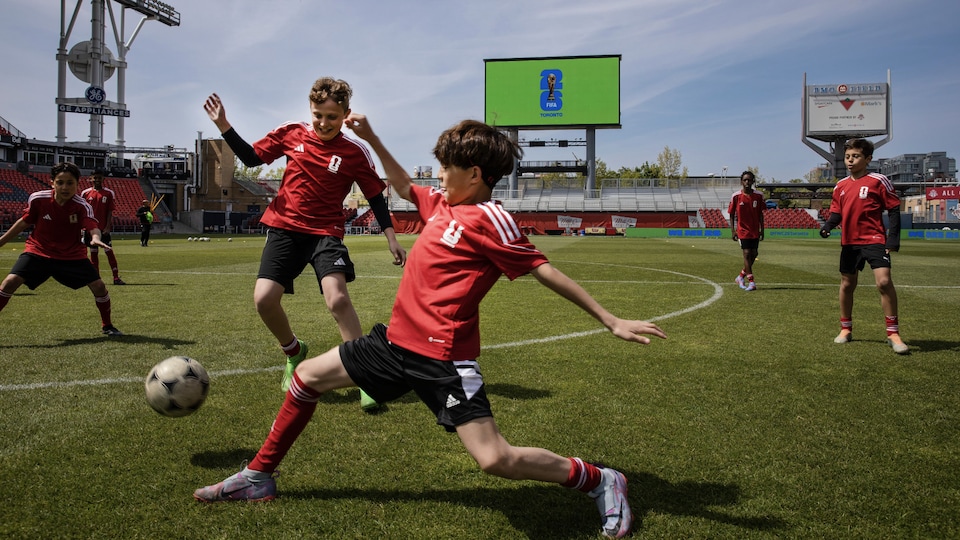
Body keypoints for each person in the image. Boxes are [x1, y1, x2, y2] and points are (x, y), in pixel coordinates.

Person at [193, 117, 667, 539]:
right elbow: (400, 185)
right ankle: (259, 476)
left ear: (475, 174)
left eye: (445, 167)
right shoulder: (441, 204)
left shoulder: (493, 219)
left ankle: (600, 479)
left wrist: (610, 319)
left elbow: (543, 269)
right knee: (306, 378)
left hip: (443, 360)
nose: (437, 175)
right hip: (393, 344)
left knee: (494, 460)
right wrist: (373, 137)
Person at [202, 77, 407, 412]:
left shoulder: (355, 152)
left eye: (331, 116)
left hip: (325, 232)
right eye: (318, 115)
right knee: (264, 300)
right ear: (309, 111)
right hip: (284, 228)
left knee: (337, 299)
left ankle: (364, 375)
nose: (323, 123)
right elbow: (253, 158)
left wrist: (390, 237)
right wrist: (224, 125)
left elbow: (374, 195)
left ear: (345, 115)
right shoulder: (292, 133)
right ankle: (293, 352)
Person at [0, 162, 123, 336]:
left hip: (71, 255)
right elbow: (25, 221)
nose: (65, 187)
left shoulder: (81, 205)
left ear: (77, 184)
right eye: (60, 182)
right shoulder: (38, 199)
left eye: (70, 183)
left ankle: (107, 325)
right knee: (9, 283)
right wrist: (2, 240)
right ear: (52, 182)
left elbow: (91, 225)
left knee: (99, 286)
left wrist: (95, 238)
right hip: (38, 251)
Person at [820, 138, 907, 354]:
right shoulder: (840, 186)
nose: (850, 160)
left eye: (855, 156)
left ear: (868, 159)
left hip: (875, 240)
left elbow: (894, 208)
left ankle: (893, 333)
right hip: (849, 243)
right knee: (847, 285)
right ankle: (845, 329)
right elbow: (836, 212)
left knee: (884, 282)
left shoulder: (879, 180)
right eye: (847, 156)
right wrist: (828, 226)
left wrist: (893, 238)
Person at [81, 167, 126, 285]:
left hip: (103, 228)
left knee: (109, 251)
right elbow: (82, 211)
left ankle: (116, 278)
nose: (97, 180)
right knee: (93, 254)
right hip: (90, 229)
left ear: (103, 179)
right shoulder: (85, 193)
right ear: (91, 179)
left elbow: (110, 211)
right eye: (95, 178)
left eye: (99, 178)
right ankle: (97, 278)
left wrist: (107, 227)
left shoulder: (109, 193)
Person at [728, 171, 765, 291]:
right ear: (741, 181)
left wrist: (762, 230)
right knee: (747, 253)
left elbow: (760, 214)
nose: (747, 182)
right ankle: (752, 282)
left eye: (749, 180)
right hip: (742, 230)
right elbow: (732, 214)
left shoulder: (759, 196)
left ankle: (740, 276)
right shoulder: (736, 196)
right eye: (745, 180)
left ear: (753, 181)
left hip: (754, 230)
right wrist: (733, 231)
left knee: (754, 254)